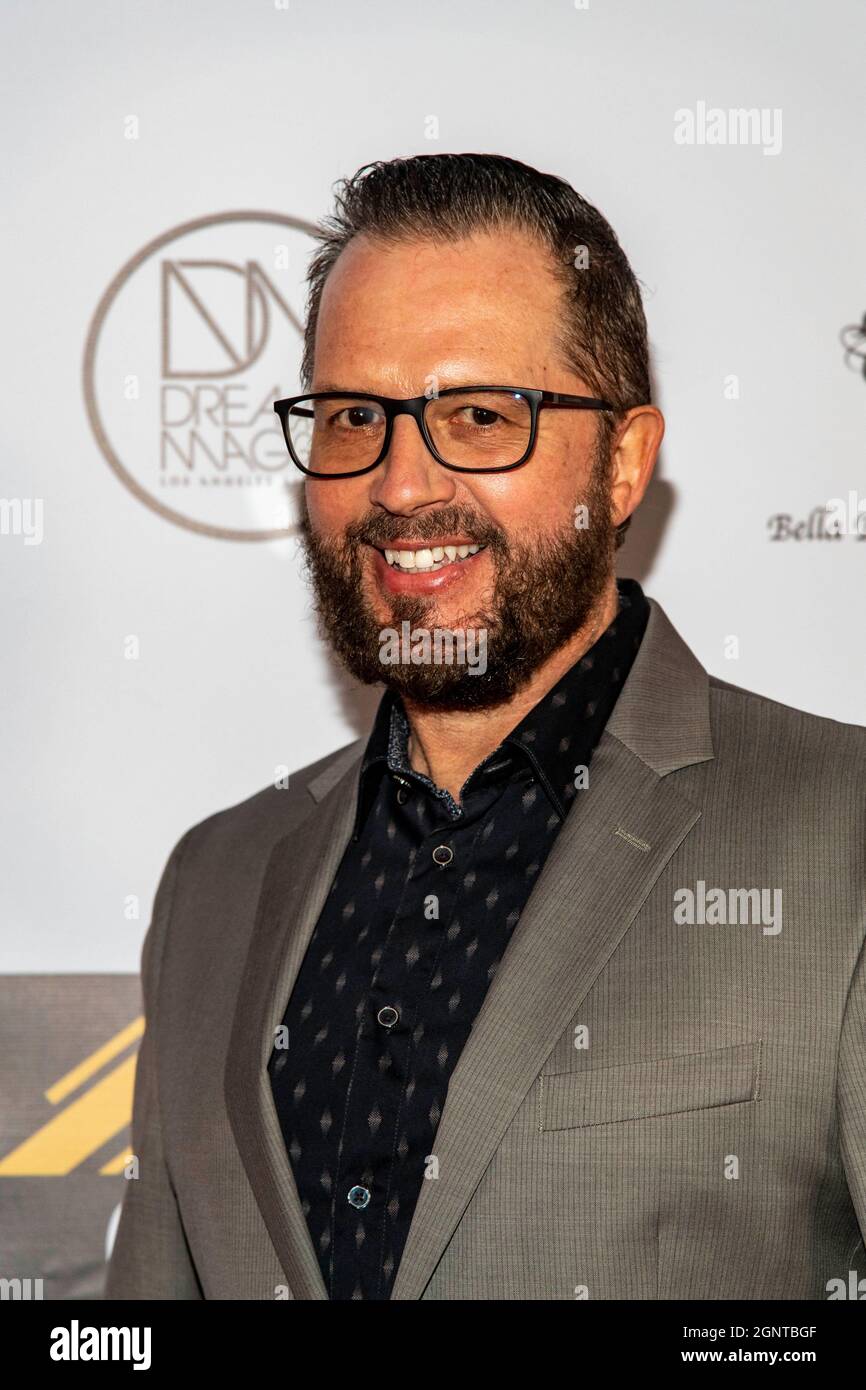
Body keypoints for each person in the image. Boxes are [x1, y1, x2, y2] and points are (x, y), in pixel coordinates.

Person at [105, 153, 866, 1301]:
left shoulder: (839, 832)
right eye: (356, 414)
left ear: (621, 461)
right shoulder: (214, 880)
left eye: (477, 414)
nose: (402, 483)